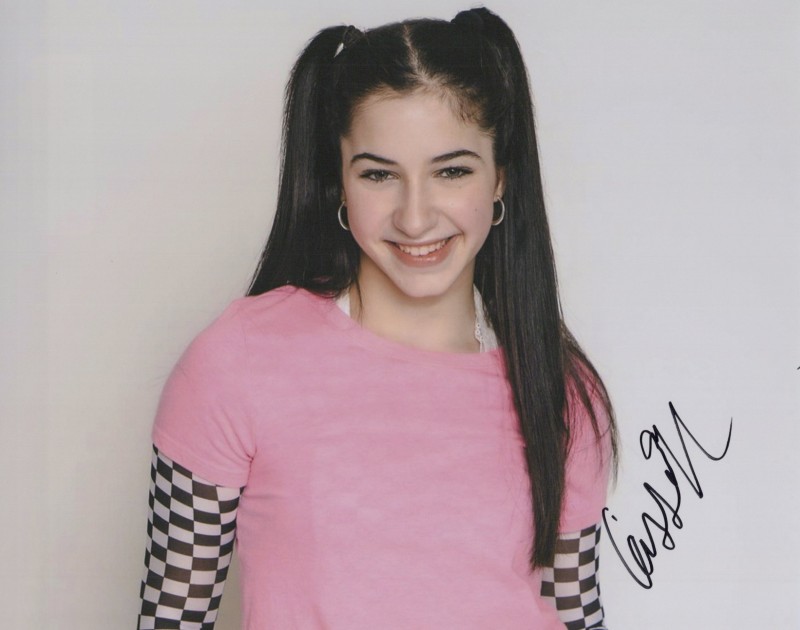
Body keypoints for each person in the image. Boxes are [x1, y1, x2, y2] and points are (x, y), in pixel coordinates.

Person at [137, 7, 617, 629]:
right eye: (379, 174)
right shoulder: (238, 361)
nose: (415, 218)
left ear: (500, 177)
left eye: (452, 171)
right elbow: (171, 619)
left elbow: (576, 614)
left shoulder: (559, 387)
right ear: (339, 181)